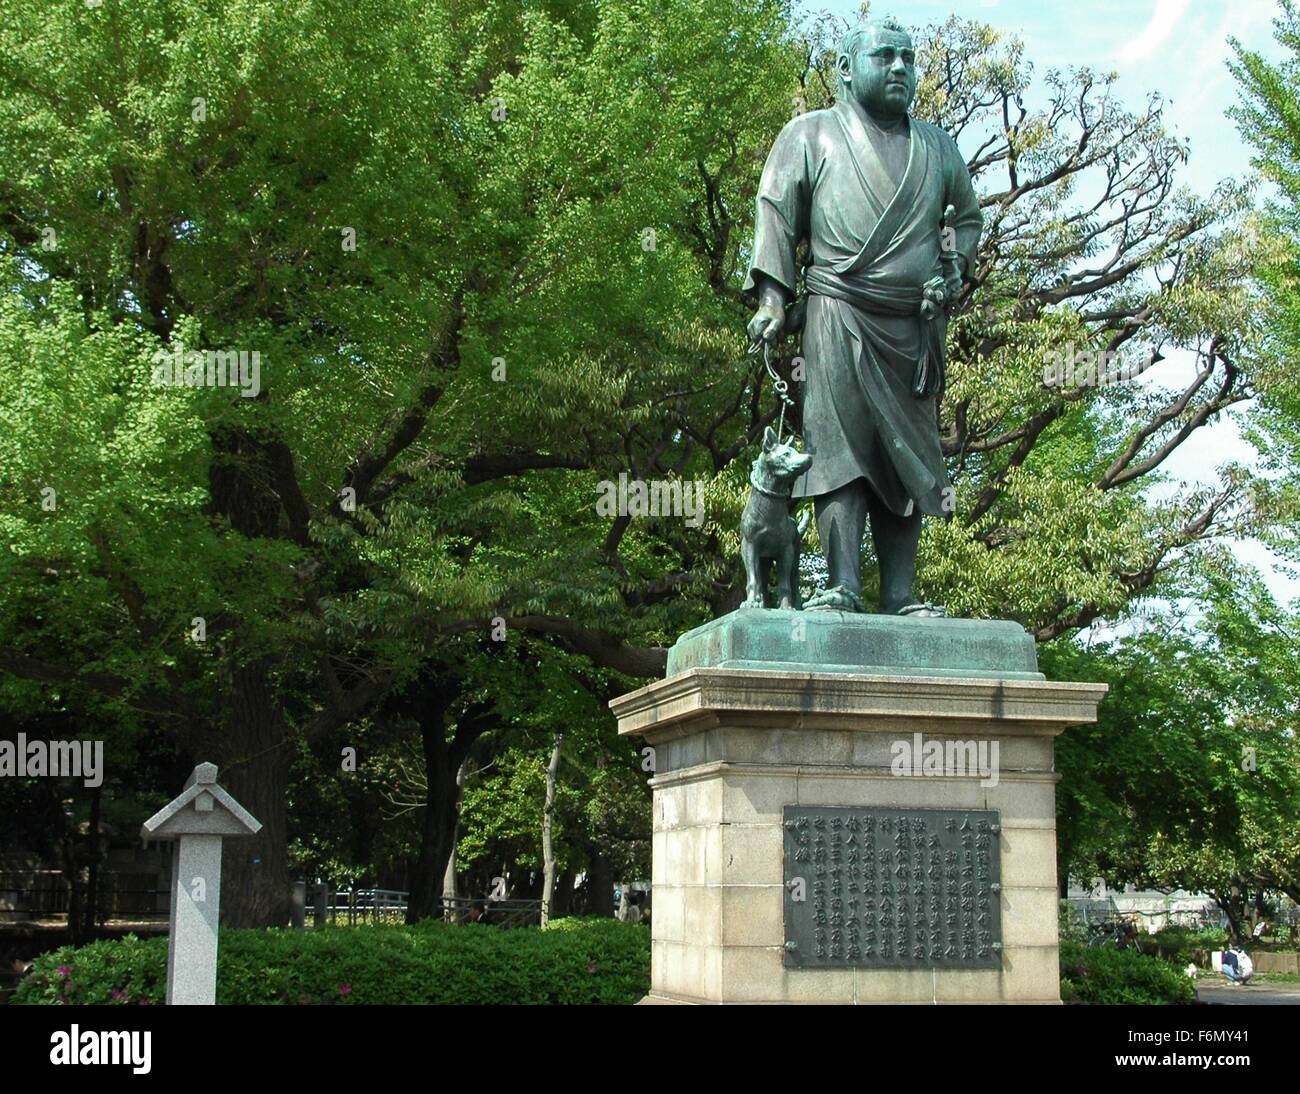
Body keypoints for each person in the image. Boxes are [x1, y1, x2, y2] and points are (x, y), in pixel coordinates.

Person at [745, 17, 981, 616]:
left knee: (909, 460)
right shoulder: (811, 133)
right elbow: (776, 209)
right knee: (839, 451)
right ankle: (842, 584)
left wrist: (953, 268)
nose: (901, 67)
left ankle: (900, 593)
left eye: (908, 57)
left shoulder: (937, 145)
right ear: (846, 70)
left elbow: (966, 220)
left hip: (913, 324)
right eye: (885, 56)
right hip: (836, 312)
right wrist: (774, 299)